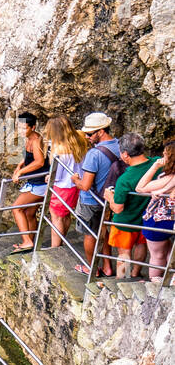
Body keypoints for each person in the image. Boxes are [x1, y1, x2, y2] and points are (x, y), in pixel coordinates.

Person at [72, 113, 122, 276]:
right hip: (107, 200)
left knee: (90, 235)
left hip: (91, 201)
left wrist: (75, 180)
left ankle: (91, 268)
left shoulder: (94, 154)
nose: (86, 137)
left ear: (101, 131)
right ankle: (107, 267)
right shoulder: (119, 145)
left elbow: (85, 186)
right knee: (103, 231)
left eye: (90, 133)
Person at [103, 134, 151, 279]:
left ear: (125, 155)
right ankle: (135, 273)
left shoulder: (125, 179)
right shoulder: (155, 165)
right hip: (145, 219)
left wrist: (109, 197)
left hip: (125, 221)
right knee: (141, 245)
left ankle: (123, 278)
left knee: (124, 252)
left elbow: (118, 208)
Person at [43, 116, 89, 249]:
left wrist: (48, 178)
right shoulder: (79, 140)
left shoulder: (59, 150)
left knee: (56, 217)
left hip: (62, 187)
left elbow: (57, 175)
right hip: (76, 185)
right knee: (66, 214)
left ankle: (55, 248)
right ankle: (61, 241)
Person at [135, 141, 175, 283]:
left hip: (159, 220)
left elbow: (140, 188)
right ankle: (168, 280)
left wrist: (155, 165)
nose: (162, 156)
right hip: (171, 220)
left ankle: (155, 283)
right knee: (170, 252)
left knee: (157, 255)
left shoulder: (168, 178)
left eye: (165, 154)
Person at [8, 112, 46, 253]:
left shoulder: (36, 140)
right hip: (35, 181)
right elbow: (29, 157)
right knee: (30, 213)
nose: (22, 131)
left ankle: (27, 241)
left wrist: (21, 172)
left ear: (33, 127)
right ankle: (31, 243)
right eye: (20, 128)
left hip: (40, 183)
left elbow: (39, 161)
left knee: (16, 208)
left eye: (25, 128)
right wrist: (20, 165)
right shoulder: (28, 138)